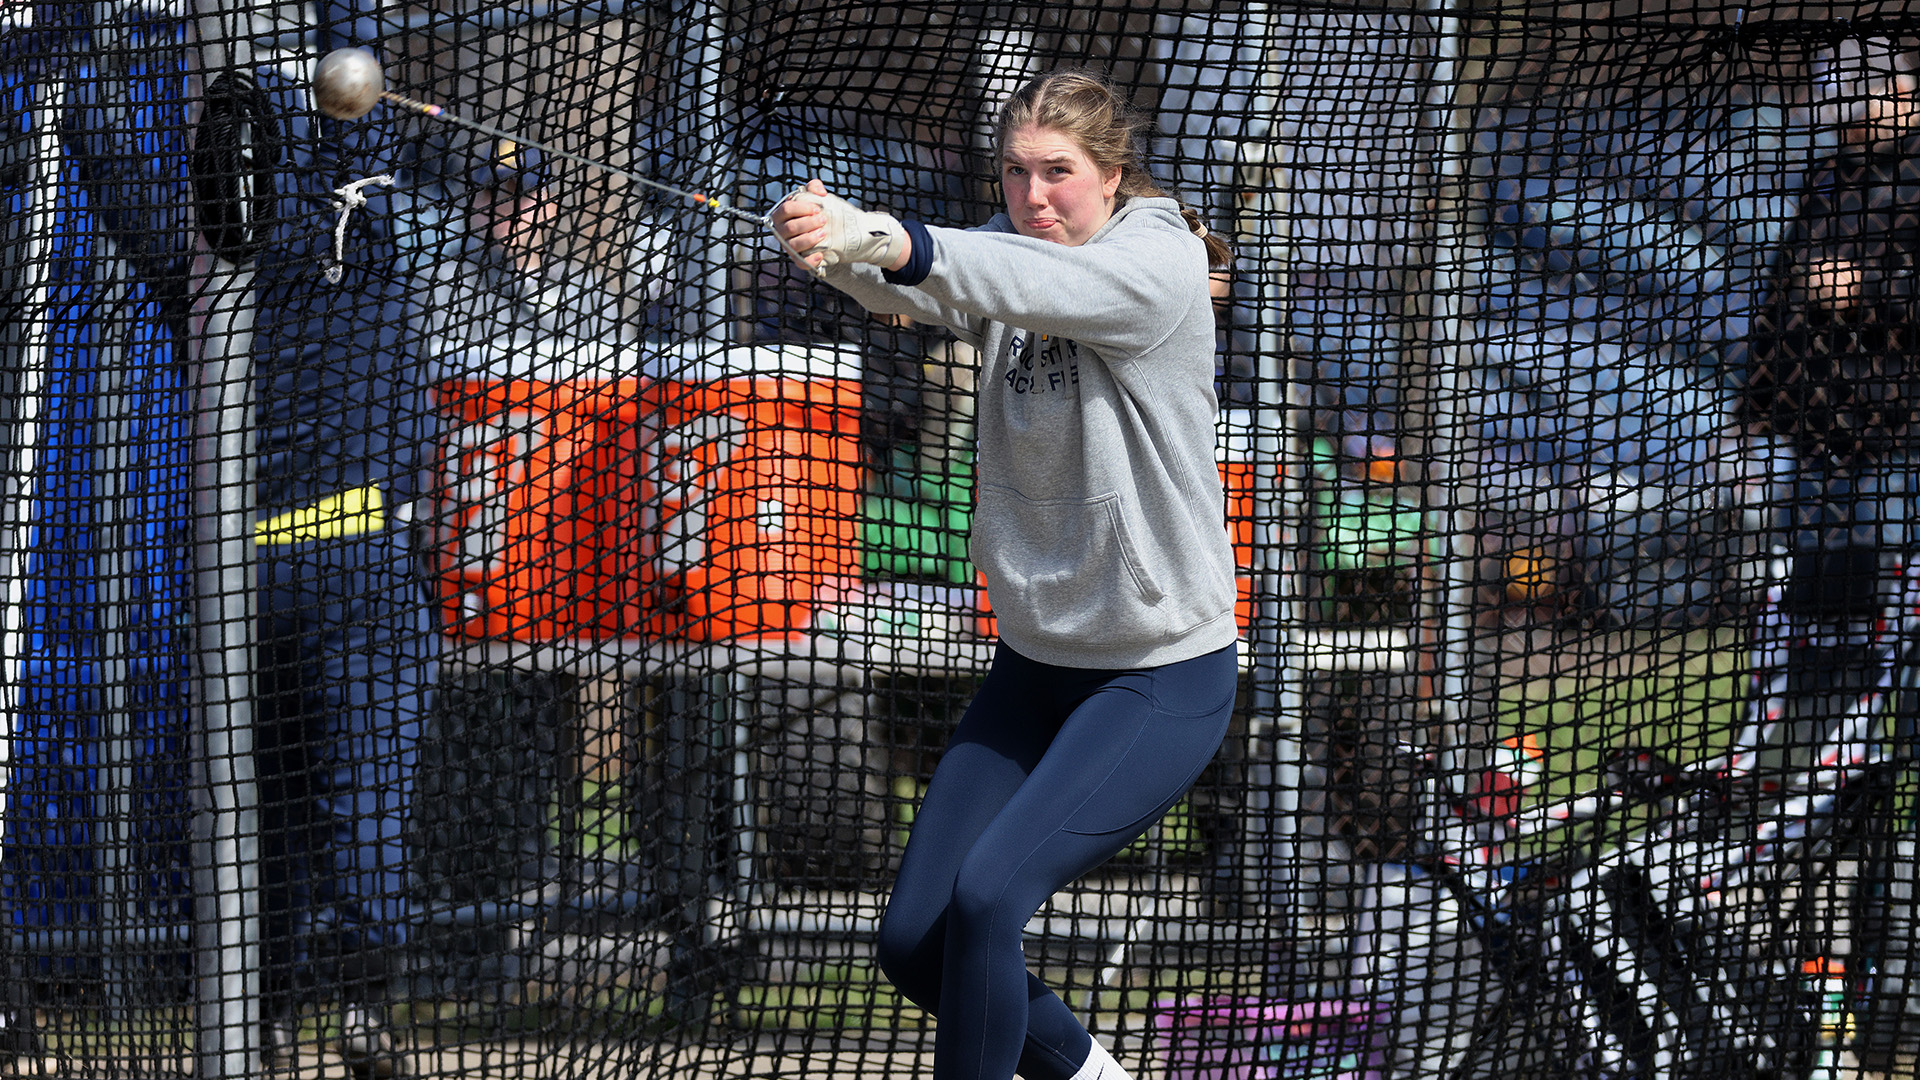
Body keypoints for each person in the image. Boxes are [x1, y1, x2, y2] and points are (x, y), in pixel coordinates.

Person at [771, 69, 1239, 1080]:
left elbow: (1013, 280)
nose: (1036, 195)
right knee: (914, 942)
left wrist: (895, 240)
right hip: (1036, 664)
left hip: (1157, 675)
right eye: (1018, 173)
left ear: (1112, 175)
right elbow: (929, 282)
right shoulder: (1013, 255)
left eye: (1060, 173)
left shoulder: (1152, 264)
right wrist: (826, 241)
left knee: (988, 898)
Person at [1737, 47, 1920, 1067]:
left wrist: (1873, 290)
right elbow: (1779, 310)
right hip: (1816, 452)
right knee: (1814, 660)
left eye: (1857, 107)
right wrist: (1748, 421)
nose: (1841, 124)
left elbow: (1884, 296)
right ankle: (1813, 817)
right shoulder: (1831, 177)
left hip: (1897, 450)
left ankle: (1882, 797)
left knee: (1895, 658)